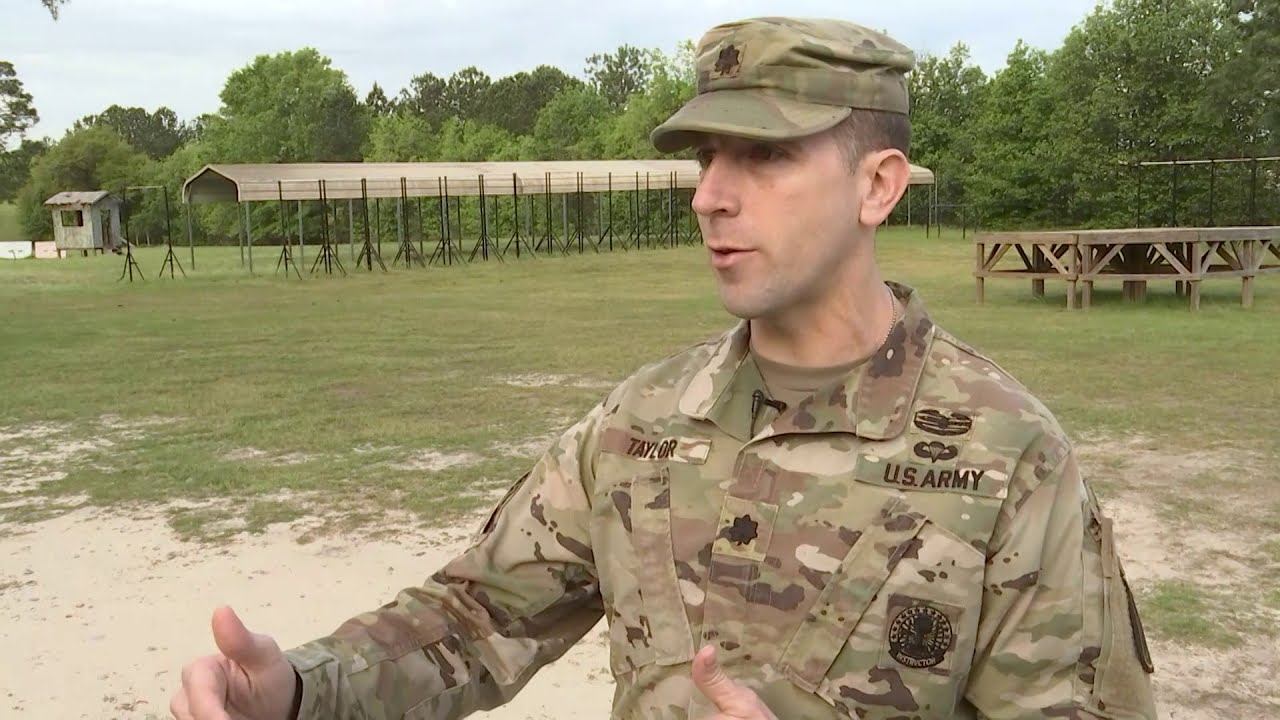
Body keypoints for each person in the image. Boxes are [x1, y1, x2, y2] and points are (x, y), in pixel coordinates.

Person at [170, 15, 1159, 720]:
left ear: (875, 185)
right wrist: (299, 689)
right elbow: (476, 618)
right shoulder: (639, 426)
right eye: (704, 160)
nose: (710, 198)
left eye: (761, 158)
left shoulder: (1003, 457)